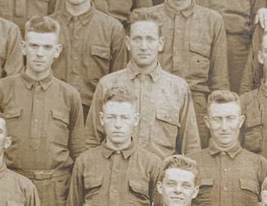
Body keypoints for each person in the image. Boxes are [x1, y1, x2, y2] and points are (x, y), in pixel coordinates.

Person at [0, 15, 84, 206]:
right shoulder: (1, 90)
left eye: (47, 47)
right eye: (34, 46)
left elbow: (79, 152)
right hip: (11, 184)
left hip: (54, 190)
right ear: (23, 47)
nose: (40, 53)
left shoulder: (69, 95)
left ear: (57, 50)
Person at [134, 0, 229, 136]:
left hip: (197, 109)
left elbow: (220, 82)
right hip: (153, 106)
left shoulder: (212, 21)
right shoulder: (146, 18)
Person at [66, 90, 162, 206]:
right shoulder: (85, 161)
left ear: (135, 119)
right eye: (112, 117)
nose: (118, 125)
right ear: (102, 119)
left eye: (124, 118)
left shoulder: (151, 163)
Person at [84, 16, 200, 159]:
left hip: (162, 175)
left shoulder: (177, 88)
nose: (143, 46)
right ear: (128, 43)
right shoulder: (107, 84)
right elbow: (91, 140)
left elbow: (190, 146)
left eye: (150, 39)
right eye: (137, 39)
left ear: (160, 43)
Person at [51, 0, 126, 115]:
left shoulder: (112, 29)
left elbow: (118, 84)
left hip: (95, 114)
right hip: (52, 112)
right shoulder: (47, 27)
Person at [192, 89, 267, 206]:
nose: (224, 126)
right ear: (207, 122)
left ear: (240, 121)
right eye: (217, 119)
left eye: (230, 118)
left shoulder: (259, 164)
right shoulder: (192, 163)